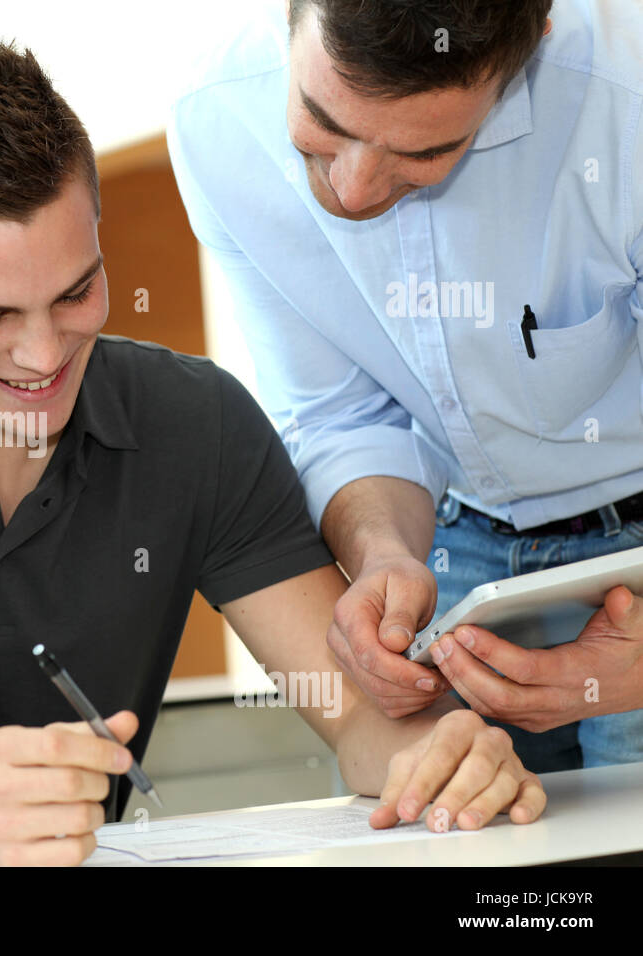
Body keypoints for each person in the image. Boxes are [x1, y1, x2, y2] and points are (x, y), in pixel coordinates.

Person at [0, 34, 545, 867]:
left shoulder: (194, 420)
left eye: (77, 290)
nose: (45, 356)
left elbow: (361, 718)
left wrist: (443, 758)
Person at [168, 0, 643, 771]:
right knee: (472, 850)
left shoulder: (628, 101)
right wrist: (383, 554)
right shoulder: (216, 119)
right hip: (453, 547)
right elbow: (341, 414)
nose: (352, 192)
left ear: (530, 53)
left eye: (426, 151)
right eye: (323, 121)